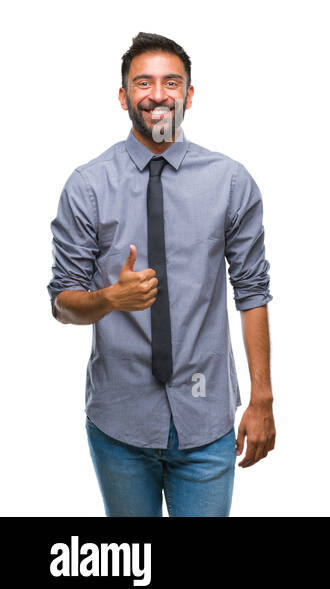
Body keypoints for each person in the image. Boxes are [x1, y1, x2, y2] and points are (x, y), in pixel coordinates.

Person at [48, 32, 276, 517]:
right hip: (120, 423)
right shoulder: (88, 186)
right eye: (142, 82)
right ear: (123, 96)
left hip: (208, 419)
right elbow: (62, 302)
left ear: (189, 94)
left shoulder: (230, 182)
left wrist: (262, 399)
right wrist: (109, 298)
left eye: (171, 82)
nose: (157, 94)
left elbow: (252, 292)